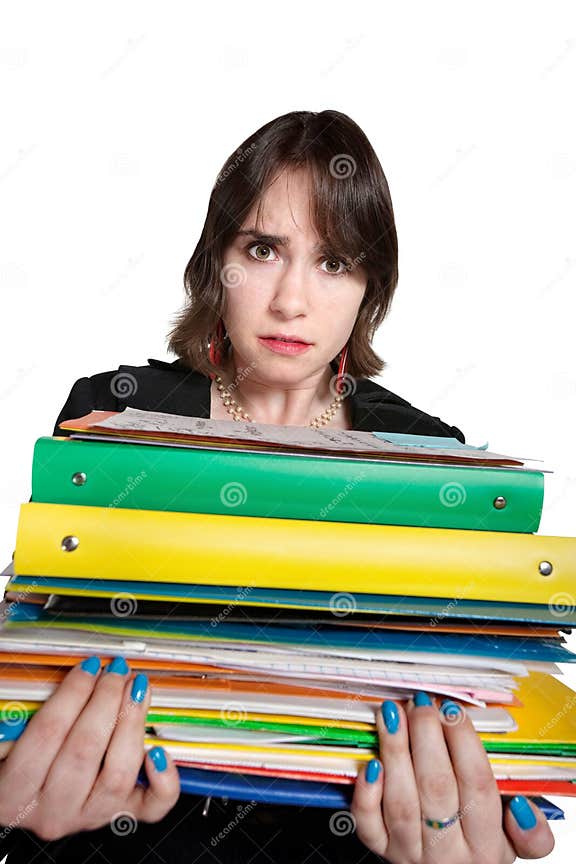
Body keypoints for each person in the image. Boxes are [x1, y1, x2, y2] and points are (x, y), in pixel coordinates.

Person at [0, 110, 555, 863]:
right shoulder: (112, 418)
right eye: (263, 249)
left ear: (371, 287)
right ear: (214, 263)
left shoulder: (429, 459)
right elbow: (35, 653)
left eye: (334, 263)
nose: (292, 299)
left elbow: (457, 692)